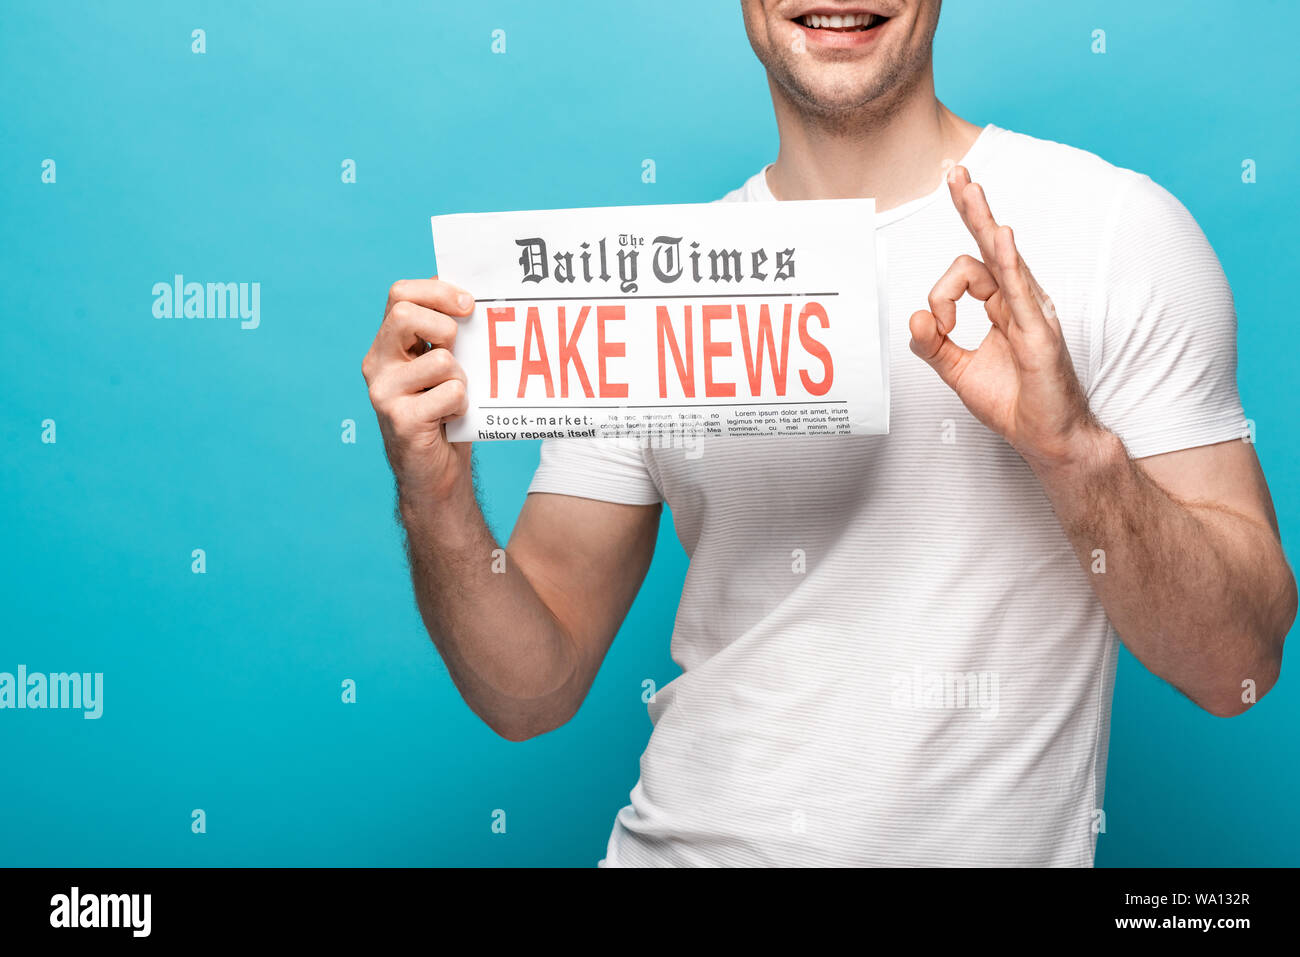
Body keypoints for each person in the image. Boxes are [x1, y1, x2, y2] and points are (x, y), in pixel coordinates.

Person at [361, 1, 1295, 866]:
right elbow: (533, 691)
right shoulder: (647, 294)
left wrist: (1074, 453)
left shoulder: (1113, 233)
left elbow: (1238, 666)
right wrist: (435, 497)